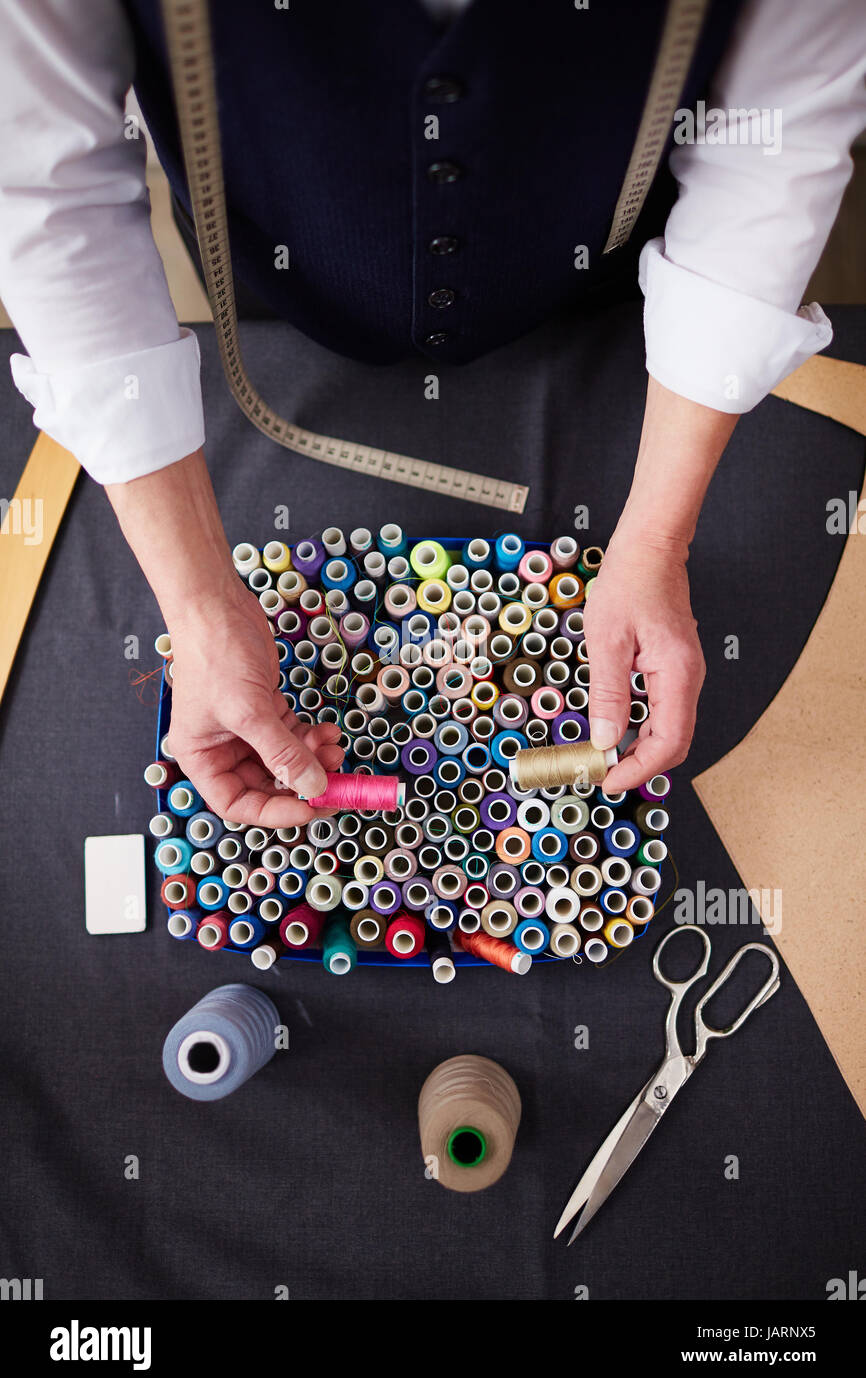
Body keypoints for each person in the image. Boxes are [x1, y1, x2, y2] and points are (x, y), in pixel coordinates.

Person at [1, 0, 864, 827]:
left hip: (590, 262)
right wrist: (195, 606)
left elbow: (773, 146)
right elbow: (42, 185)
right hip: (277, 259)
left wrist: (655, 539)